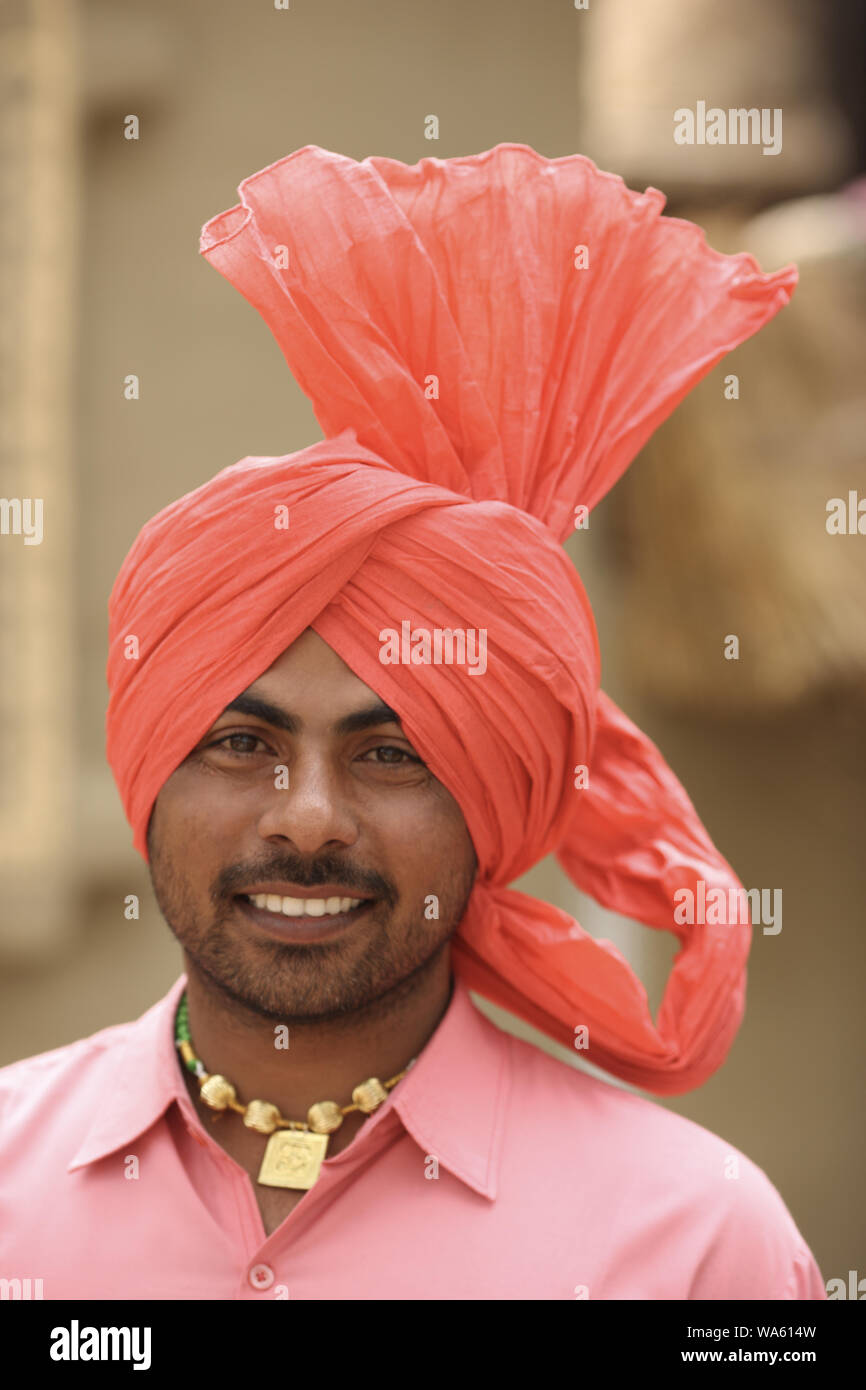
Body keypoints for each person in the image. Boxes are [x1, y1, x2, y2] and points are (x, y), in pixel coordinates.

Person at [0, 144, 825, 1299]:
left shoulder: (692, 1242)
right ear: (147, 767)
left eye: (391, 754)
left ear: (499, 802)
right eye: (241, 742)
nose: (307, 818)